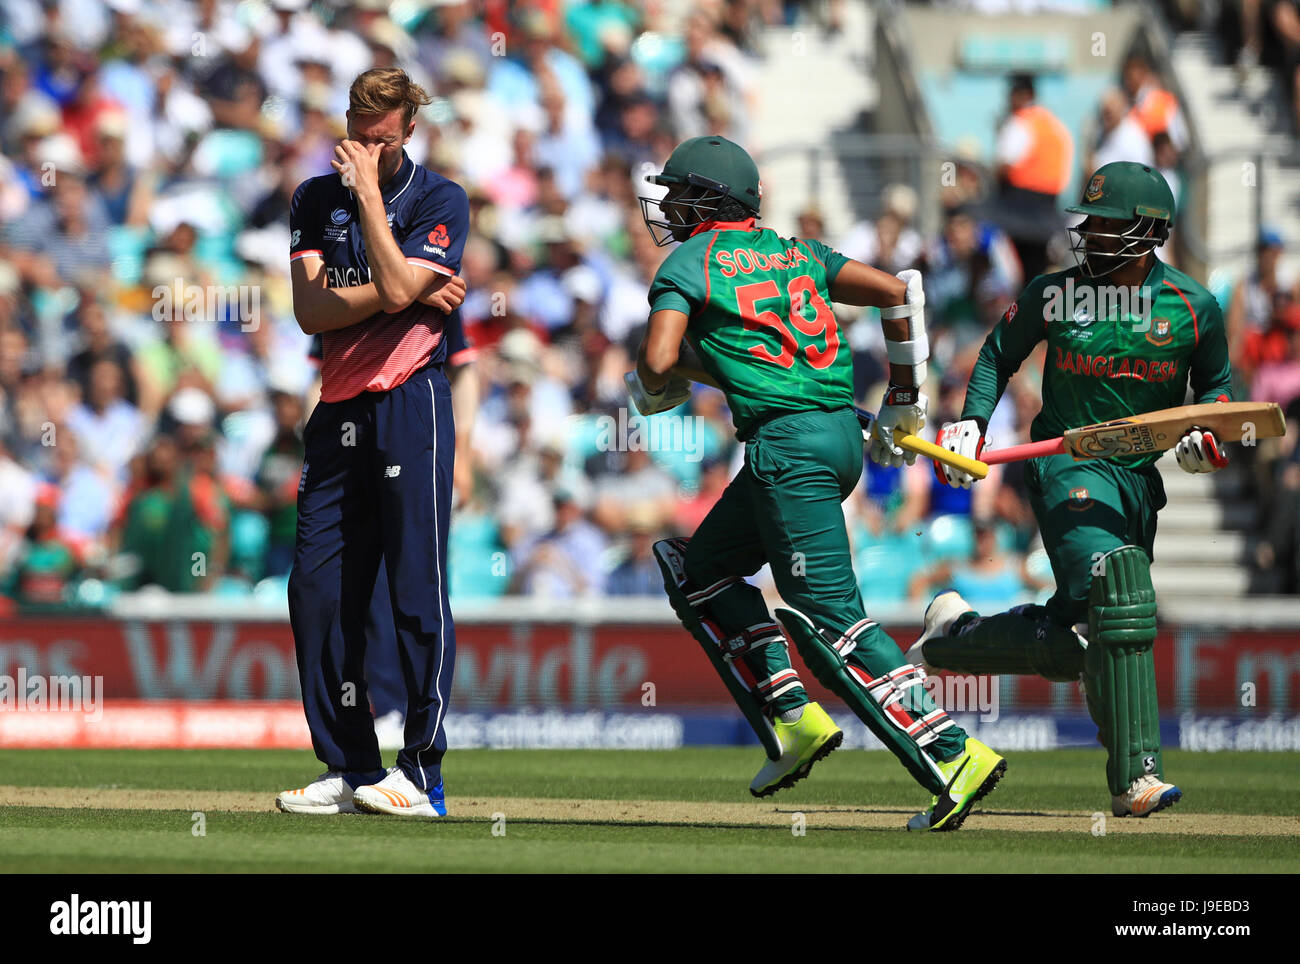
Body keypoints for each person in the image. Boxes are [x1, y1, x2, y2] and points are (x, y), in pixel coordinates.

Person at [630, 135, 1006, 832]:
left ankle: (953, 753)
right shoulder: (796, 250)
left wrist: (666, 376)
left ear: (709, 200)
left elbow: (656, 361)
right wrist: (904, 399)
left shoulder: (690, 259)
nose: (670, 209)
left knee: (828, 621)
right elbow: (897, 292)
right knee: (698, 569)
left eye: (681, 195)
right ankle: (791, 718)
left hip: (787, 449)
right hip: (833, 435)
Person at [913, 161, 1235, 818]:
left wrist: (1206, 440)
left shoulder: (1193, 307)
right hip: (1067, 464)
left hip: (1137, 481)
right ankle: (1136, 777)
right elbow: (998, 352)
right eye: (1088, 221)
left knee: (1082, 638)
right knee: (1117, 585)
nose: (1090, 234)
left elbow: (1218, 392)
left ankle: (952, 637)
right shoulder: (1054, 293)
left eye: (1107, 225)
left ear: (1149, 231)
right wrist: (972, 424)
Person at [276, 68, 469, 818]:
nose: (365, 150)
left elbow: (387, 286)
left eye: (382, 139)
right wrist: (409, 289)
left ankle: (421, 772)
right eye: (358, 134)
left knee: (415, 587)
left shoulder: (440, 198)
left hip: (411, 399)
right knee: (317, 589)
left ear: (409, 131)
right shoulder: (312, 197)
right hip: (337, 409)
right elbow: (310, 311)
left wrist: (386, 258)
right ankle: (350, 763)